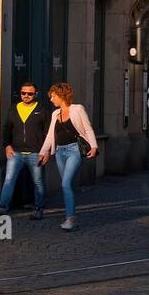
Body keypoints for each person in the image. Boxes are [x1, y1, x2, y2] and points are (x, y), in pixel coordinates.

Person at [39, 82, 98, 231]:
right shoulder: (55, 114)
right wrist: (43, 152)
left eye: (53, 96)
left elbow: (87, 128)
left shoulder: (77, 109)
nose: (51, 99)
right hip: (59, 152)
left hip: (74, 151)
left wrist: (94, 146)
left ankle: (70, 218)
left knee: (65, 184)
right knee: (67, 185)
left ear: (61, 96)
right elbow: (50, 136)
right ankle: (69, 214)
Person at [0, 82, 51, 220]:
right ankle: (2, 208)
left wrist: (46, 151)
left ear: (35, 94)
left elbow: (48, 133)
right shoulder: (14, 109)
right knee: (9, 180)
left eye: (30, 93)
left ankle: (38, 209)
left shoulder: (42, 110)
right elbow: (6, 129)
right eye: (23, 93)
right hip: (16, 152)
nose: (26, 96)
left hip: (36, 153)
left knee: (38, 182)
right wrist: (7, 145)